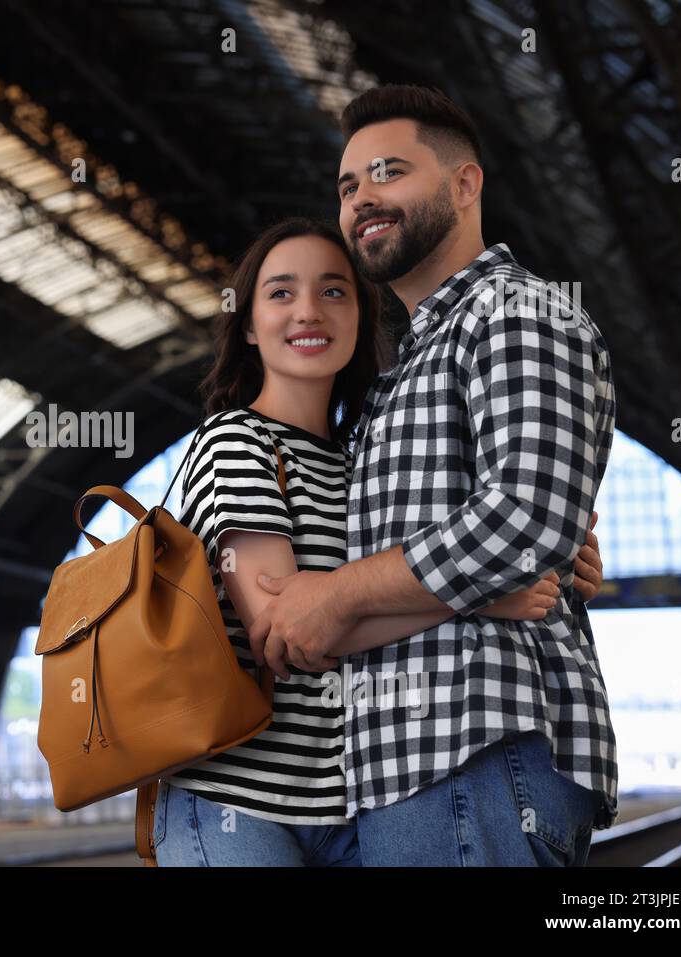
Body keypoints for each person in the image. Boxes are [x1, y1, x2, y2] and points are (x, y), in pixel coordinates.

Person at [150, 216, 604, 867]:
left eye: (334, 291)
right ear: (248, 325)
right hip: (236, 801)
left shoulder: (371, 462)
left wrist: (559, 554)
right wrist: (476, 596)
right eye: (280, 292)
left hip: (355, 803)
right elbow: (289, 634)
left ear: (362, 317)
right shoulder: (237, 441)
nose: (309, 309)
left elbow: (464, 549)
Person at [249, 85, 616, 866]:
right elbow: (528, 526)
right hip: (414, 770)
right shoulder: (405, 367)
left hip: (473, 750)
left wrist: (339, 593)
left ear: (464, 184)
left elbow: (523, 516)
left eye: (387, 172)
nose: (362, 199)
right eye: (348, 186)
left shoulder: (516, 313)